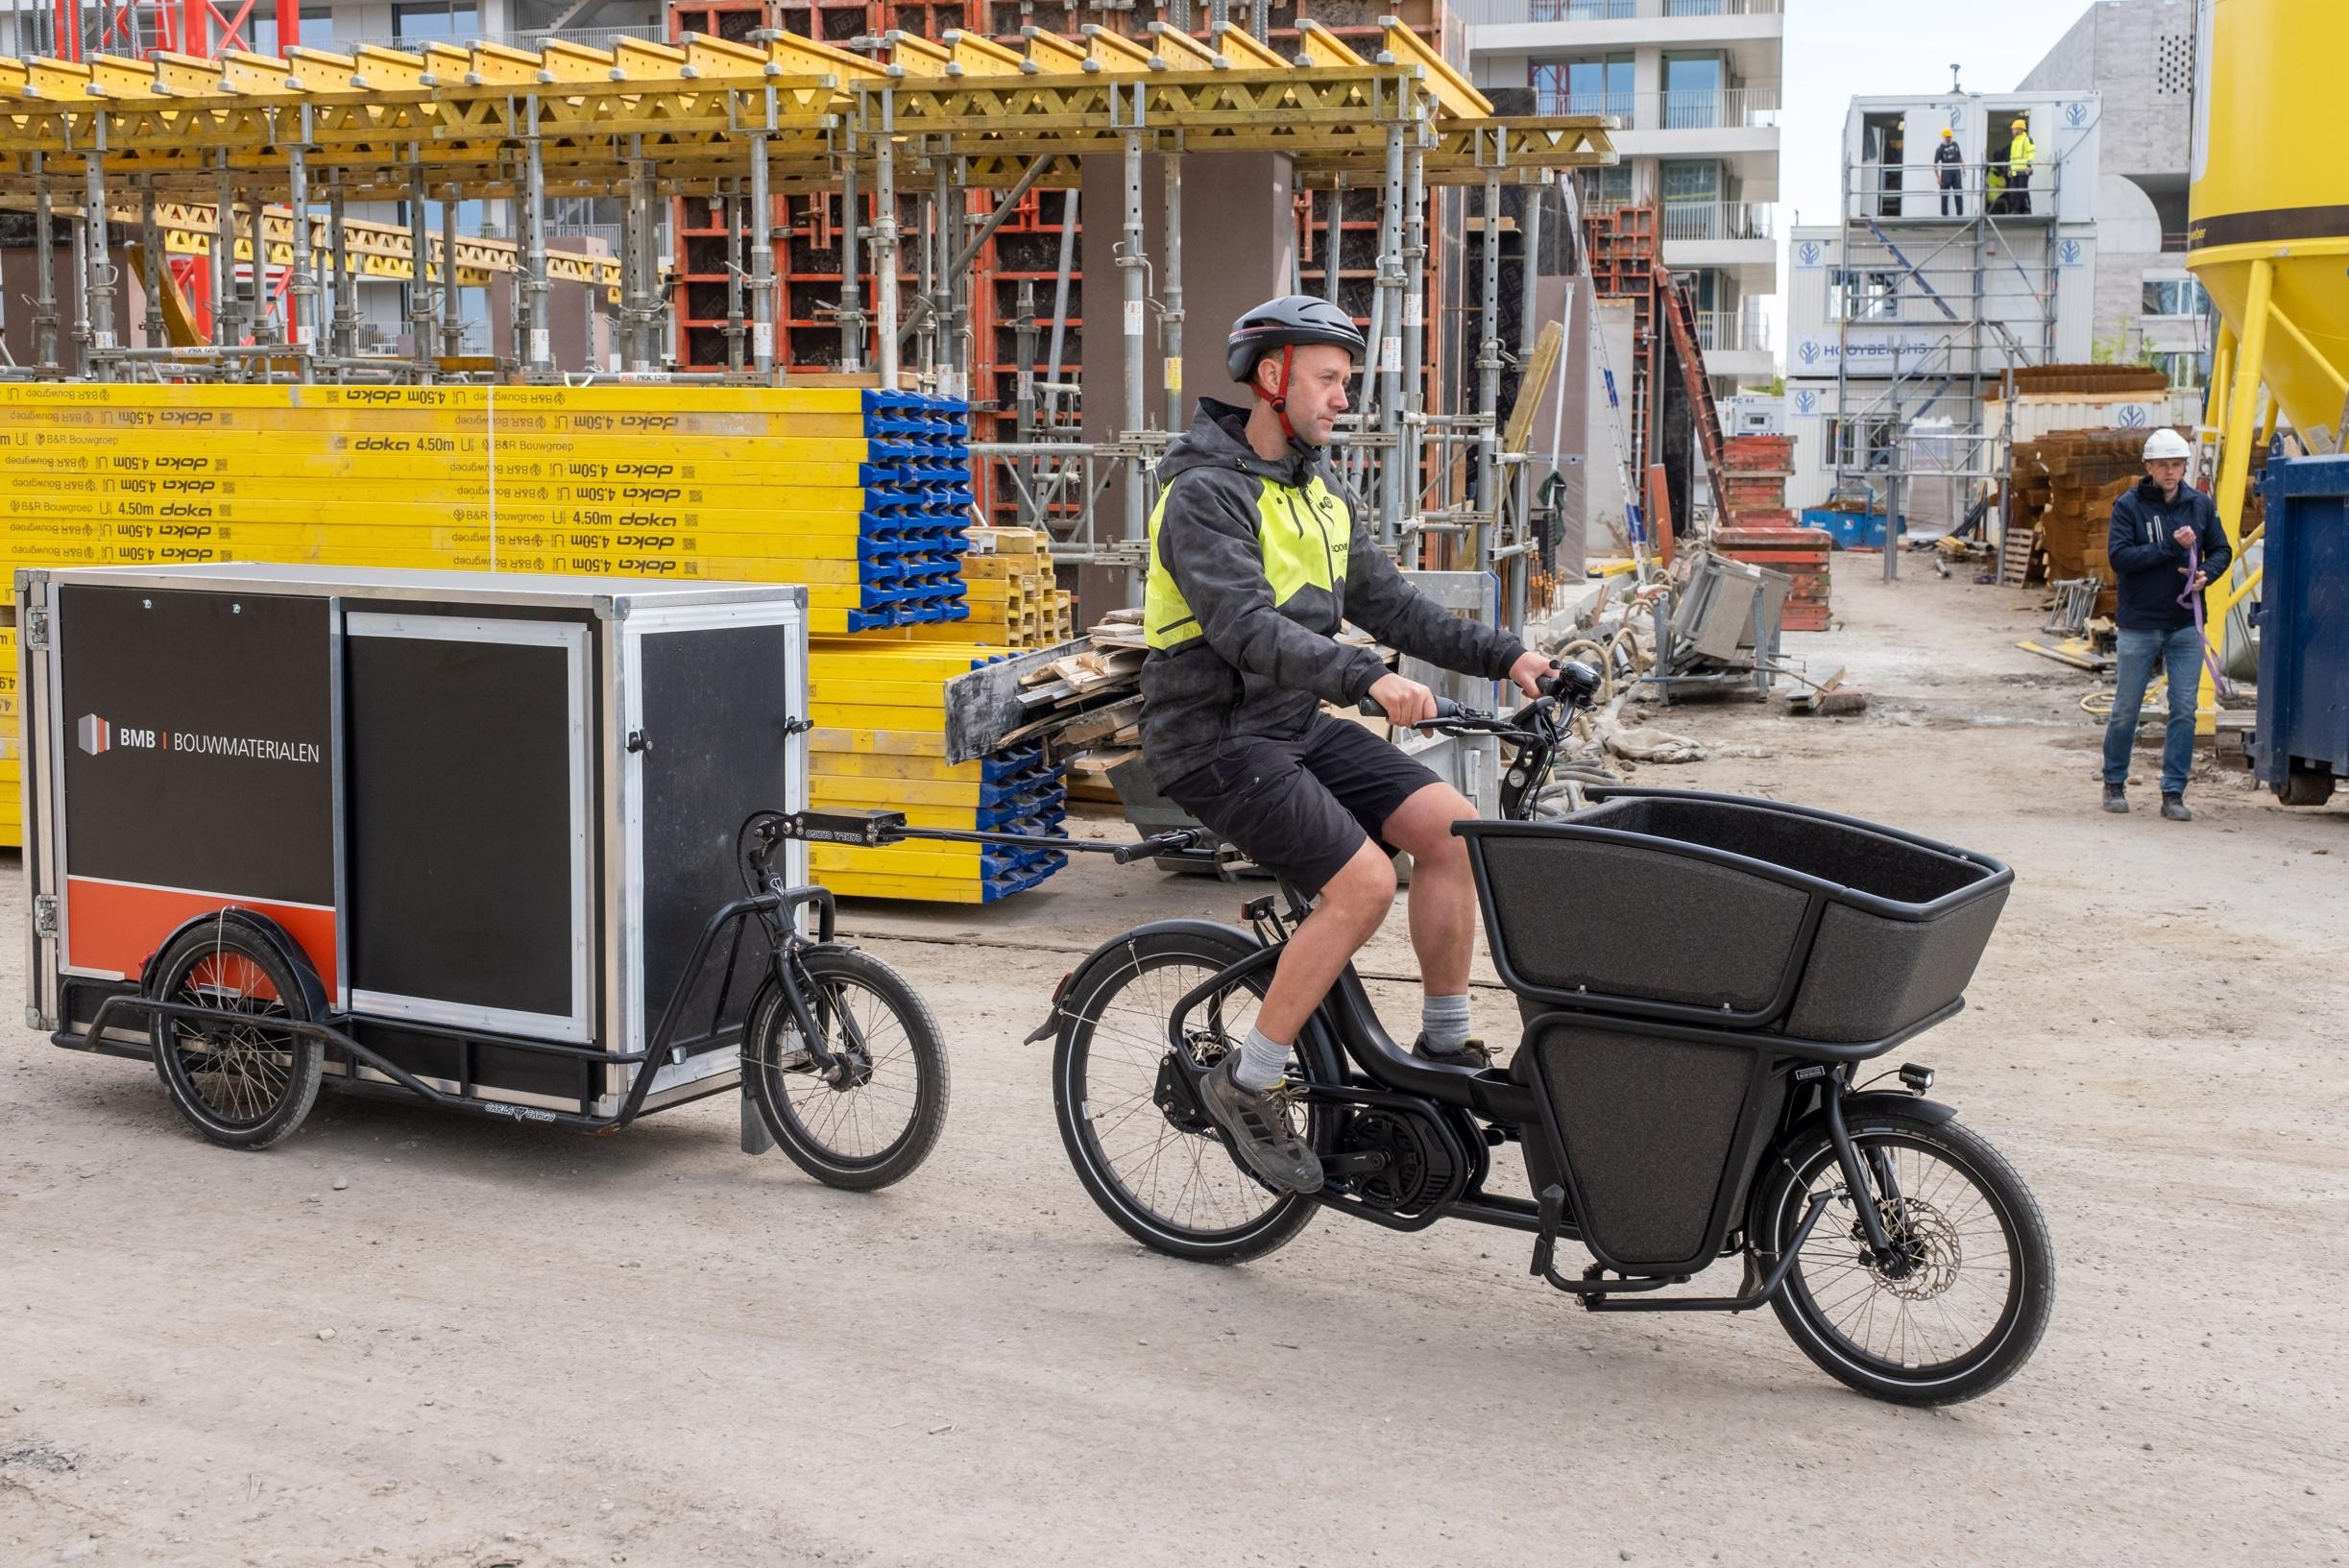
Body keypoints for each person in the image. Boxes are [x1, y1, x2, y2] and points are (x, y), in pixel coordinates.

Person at [1138, 294, 1555, 1194]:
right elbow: (1245, 627)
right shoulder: (1203, 493)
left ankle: (1443, 1049)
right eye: (1328, 379)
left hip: (1289, 724)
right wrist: (1366, 677)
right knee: (1363, 882)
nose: (1342, 398)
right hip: (1210, 735)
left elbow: (1394, 606)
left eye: (1346, 382)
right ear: (1273, 377)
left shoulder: (1319, 492)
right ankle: (1246, 1079)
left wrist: (1511, 656)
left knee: (1453, 832)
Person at [2102, 428, 2232, 821]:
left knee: (2184, 710)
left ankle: (2173, 792)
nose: (2170, 471)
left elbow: (2222, 549)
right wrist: (2169, 547)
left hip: (2185, 624)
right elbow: (2120, 558)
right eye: (2162, 465)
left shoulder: (2200, 505)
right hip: (2140, 622)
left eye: (2176, 464)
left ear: (2184, 467)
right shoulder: (2128, 507)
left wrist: (2206, 573)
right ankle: (2114, 782)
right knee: (2126, 708)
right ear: (2149, 467)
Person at [2005, 117, 2036, 214]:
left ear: (2020, 129)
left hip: (2023, 170)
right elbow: (2012, 157)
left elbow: (2032, 153)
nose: (2012, 130)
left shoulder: (2027, 139)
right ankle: (2016, 210)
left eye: (2014, 129)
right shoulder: (2014, 141)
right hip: (2015, 170)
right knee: (2014, 192)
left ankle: (2027, 209)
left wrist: (2029, 166)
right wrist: (2010, 168)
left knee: (2022, 191)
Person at [1934, 127, 1965, 216]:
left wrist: (1963, 167)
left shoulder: (1955, 145)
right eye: (1947, 137)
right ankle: (1945, 216)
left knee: (1958, 194)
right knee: (1944, 196)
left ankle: (1960, 215)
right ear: (1943, 137)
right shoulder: (1940, 149)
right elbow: (1935, 164)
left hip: (1956, 172)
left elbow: (1959, 156)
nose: (1949, 138)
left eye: (1950, 137)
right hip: (1946, 174)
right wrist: (1938, 177)